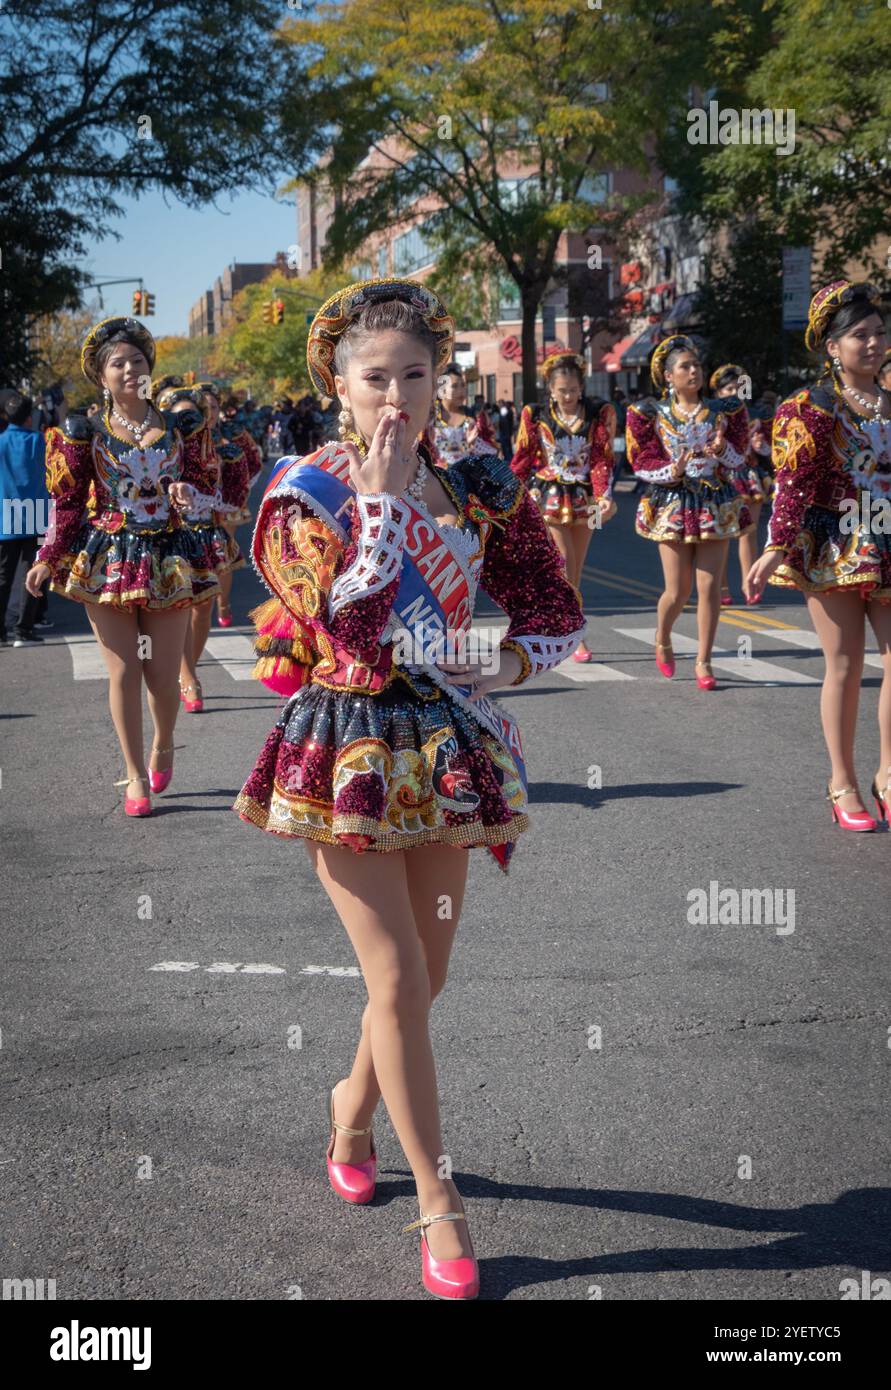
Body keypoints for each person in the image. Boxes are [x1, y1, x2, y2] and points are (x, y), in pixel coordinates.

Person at [232, 276, 586, 1300]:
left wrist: (502, 663)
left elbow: (552, 612)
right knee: (393, 978)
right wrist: (381, 508)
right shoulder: (304, 492)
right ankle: (440, 1198)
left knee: (423, 978)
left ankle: (349, 1106)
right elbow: (344, 631)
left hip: (441, 746)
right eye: (373, 377)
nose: (396, 395)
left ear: (442, 379)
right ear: (336, 385)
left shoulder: (478, 480)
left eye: (415, 374)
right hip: (345, 750)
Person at [24, 316, 221, 815]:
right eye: (119, 363)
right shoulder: (83, 433)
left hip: (169, 556)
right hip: (109, 556)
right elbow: (67, 504)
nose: (130, 369)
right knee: (124, 671)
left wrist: (189, 493)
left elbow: (209, 492)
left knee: (160, 674)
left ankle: (164, 741)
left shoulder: (183, 426)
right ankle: (134, 774)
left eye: (137, 360)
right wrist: (49, 556)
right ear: (102, 376)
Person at [747, 280, 891, 830]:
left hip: (888, 535)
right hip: (833, 542)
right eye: (860, 335)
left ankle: (886, 774)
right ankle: (842, 781)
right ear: (833, 346)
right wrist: (775, 546)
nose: (874, 343)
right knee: (847, 665)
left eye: (879, 332)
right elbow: (793, 484)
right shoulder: (808, 407)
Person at [626, 335, 751, 690]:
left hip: (713, 500)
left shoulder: (725, 411)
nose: (694, 371)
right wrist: (673, 470)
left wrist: (722, 446)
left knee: (709, 587)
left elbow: (740, 459)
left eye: (696, 365)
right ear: (668, 376)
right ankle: (663, 636)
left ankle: (704, 660)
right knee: (678, 590)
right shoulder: (650, 413)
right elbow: (641, 463)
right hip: (672, 503)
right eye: (685, 366)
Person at [510, 351, 617, 662]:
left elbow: (600, 459)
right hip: (550, 495)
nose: (568, 396)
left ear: (581, 387)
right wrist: (507, 490)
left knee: (576, 570)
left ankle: (564, 626)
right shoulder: (536, 414)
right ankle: (573, 636)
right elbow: (523, 458)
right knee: (566, 562)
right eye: (562, 390)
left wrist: (604, 494)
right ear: (551, 389)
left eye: (573, 389)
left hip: (586, 498)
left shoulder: (597, 414)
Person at [152, 380, 244, 712]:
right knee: (179, 605)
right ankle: (188, 676)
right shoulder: (159, 448)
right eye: (178, 417)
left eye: (193, 416)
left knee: (202, 607)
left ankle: (187, 662)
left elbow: (237, 493)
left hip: (206, 532)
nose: (186, 423)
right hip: (170, 535)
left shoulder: (223, 446)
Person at [710, 364, 775, 607]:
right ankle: (722, 587)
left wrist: (761, 447)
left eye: (739, 388)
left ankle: (751, 585)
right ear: (718, 393)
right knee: (723, 534)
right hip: (722, 477)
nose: (735, 393)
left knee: (748, 533)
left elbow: (771, 450)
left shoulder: (758, 414)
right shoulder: (711, 415)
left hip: (748, 477)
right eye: (728, 389)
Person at [0, 392, 50, 646]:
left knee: (3, 575)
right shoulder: (41, 441)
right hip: (37, 514)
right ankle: (24, 630)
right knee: (34, 572)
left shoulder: (1, 442)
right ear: (29, 418)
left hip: (6, 515)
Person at [430, 363, 500, 465]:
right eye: (455, 386)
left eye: (463, 385)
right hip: (435, 477)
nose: (461, 391)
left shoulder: (474, 417)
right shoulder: (430, 417)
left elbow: (492, 452)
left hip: (467, 477)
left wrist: (474, 444)